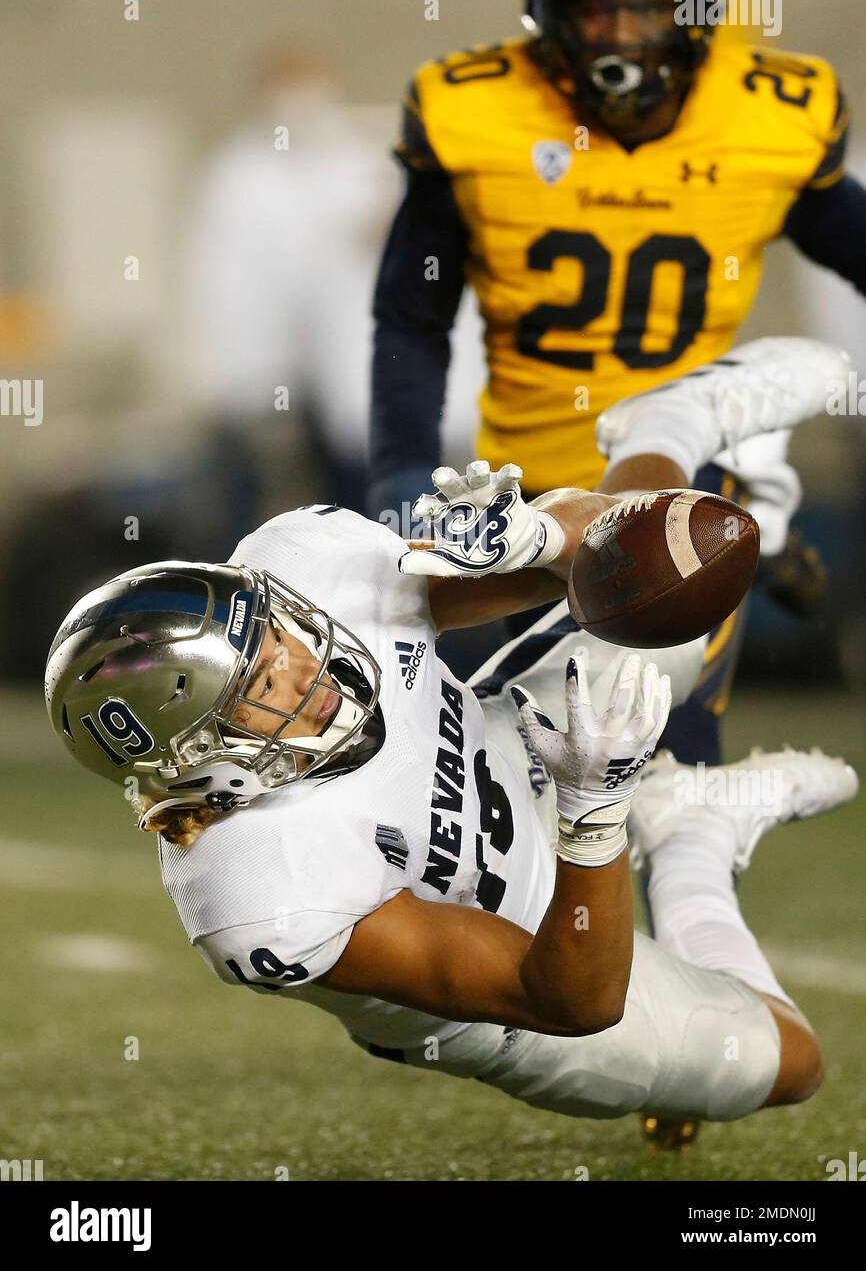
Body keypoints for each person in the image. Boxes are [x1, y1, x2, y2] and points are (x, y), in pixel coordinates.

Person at [45, 340, 857, 1132]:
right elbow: (570, 998)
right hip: (526, 967)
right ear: (197, 762)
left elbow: (598, 556)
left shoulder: (306, 563)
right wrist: (596, 807)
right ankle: (692, 843)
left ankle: (667, 424)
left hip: (518, 745)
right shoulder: (260, 892)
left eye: (281, 633)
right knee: (789, 1062)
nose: (307, 667)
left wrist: (536, 537)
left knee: (666, 579)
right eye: (263, 686)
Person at [368, 0, 866, 765]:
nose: (612, 40)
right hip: (520, 497)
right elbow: (413, 315)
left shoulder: (767, 119)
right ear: (546, 5)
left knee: (665, 759)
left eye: (639, 11)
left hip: (680, 491)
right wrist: (403, 474)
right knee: (484, 768)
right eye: (589, 11)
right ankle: (769, 535)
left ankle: (759, 525)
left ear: (701, 9)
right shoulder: (478, 114)